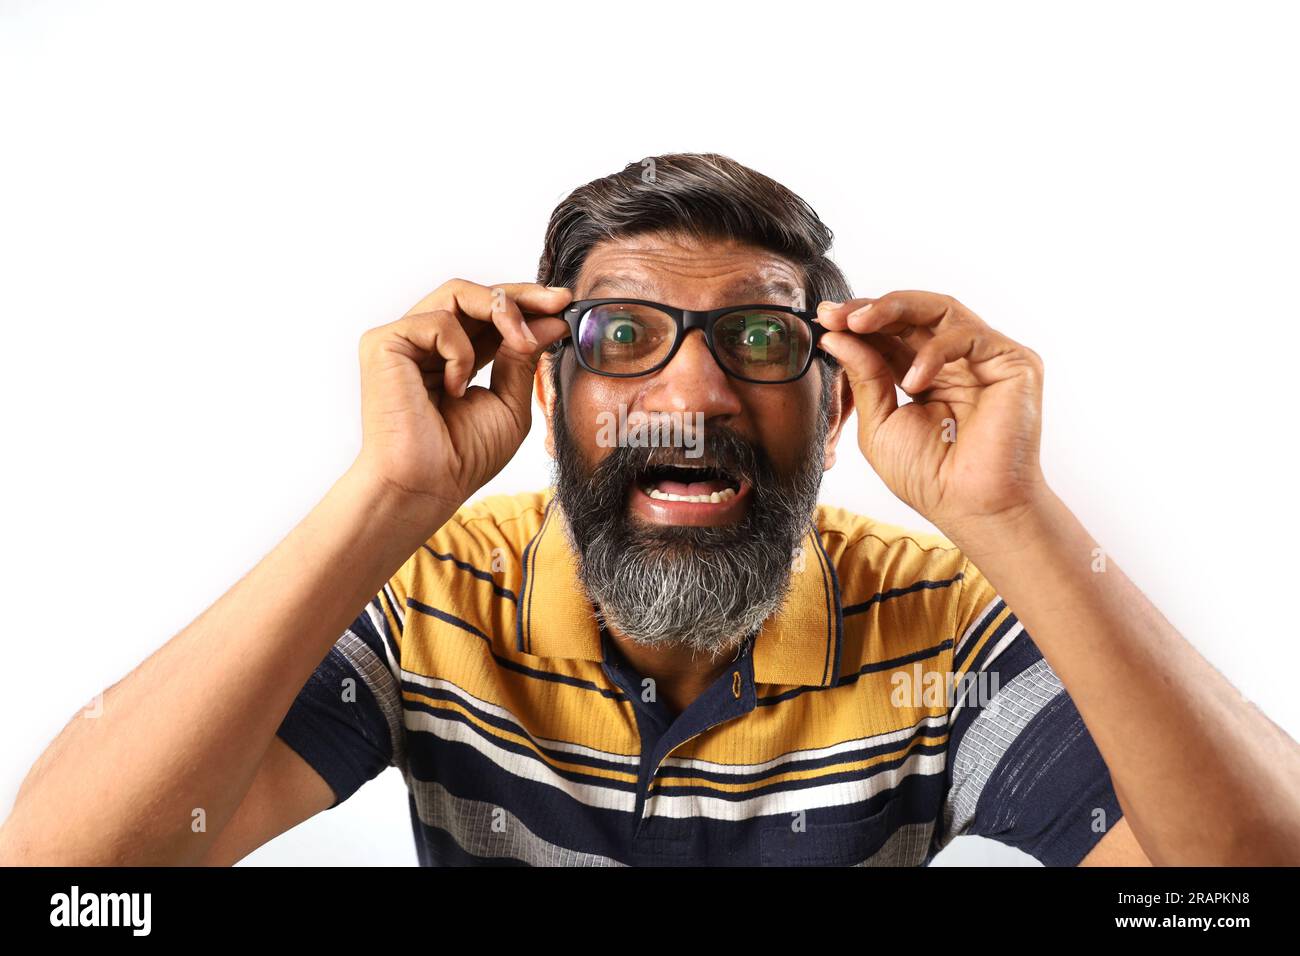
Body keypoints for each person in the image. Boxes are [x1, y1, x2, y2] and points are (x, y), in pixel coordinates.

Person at [3, 153, 1297, 867]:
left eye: (754, 338)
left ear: (837, 414)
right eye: (623, 334)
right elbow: (73, 885)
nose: (692, 390)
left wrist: (1014, 514)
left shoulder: (939, 633)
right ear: (548, 401)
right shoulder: (436, 600)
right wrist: (386, 498)